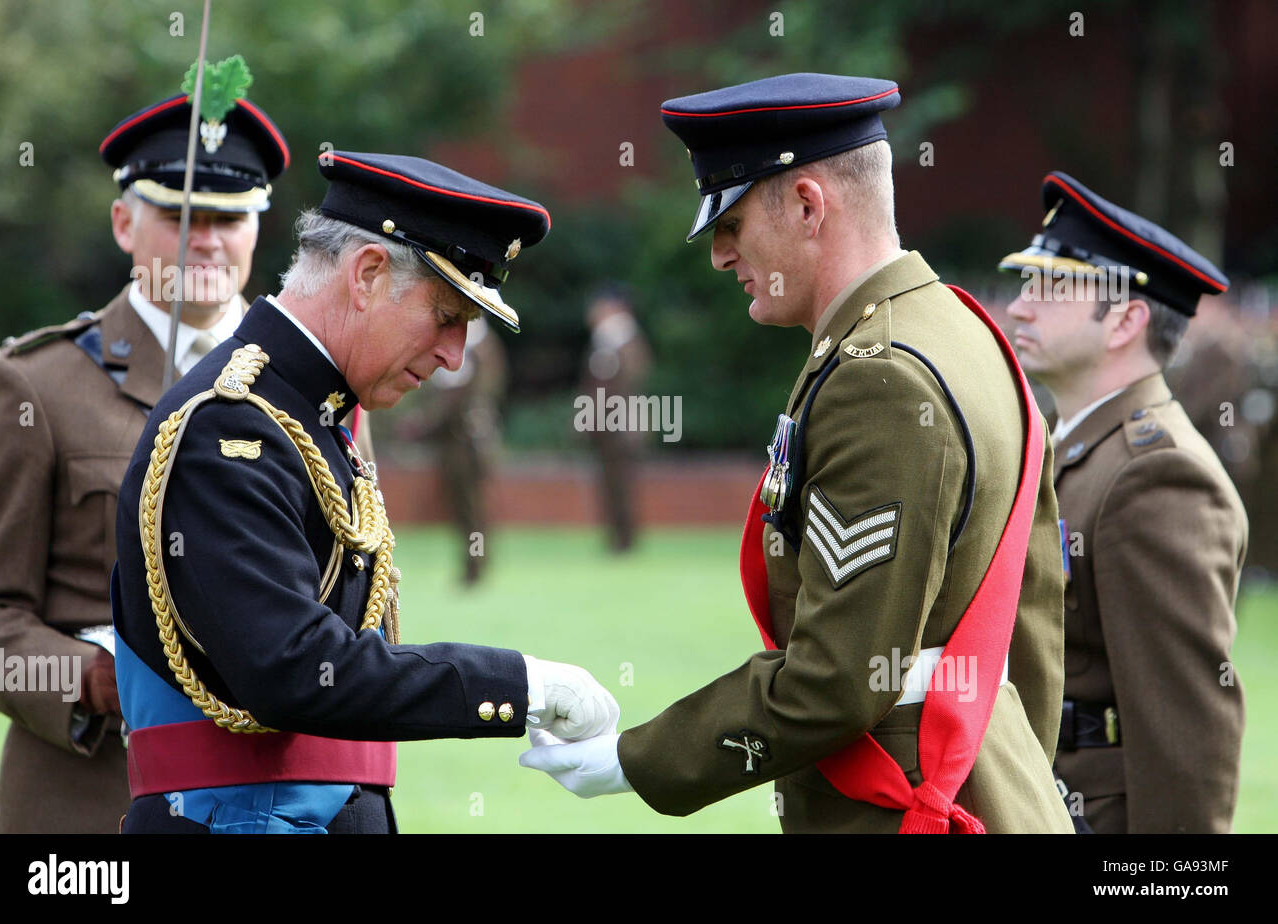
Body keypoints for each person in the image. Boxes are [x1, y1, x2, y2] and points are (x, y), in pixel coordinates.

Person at [521, 73, 1073, 833]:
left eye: (733, 223)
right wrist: (1016, 776)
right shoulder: (968, 334)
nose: (719, 255)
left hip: (902, 804)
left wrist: (633, 759)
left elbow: (836, 679)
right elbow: (1034, 623)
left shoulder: (879, 375)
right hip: (991, 778)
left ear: (809, 206)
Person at [111, 150, 620, 833]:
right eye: (446, 316)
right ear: (368, 274)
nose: (454, 356)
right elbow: (294, 669)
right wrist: (519, 684)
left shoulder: (313, 415)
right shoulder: (230, 428)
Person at [0, 58, 289, 833]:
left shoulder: (309, 385)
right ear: (125, 223)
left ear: (257, 228)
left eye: (229, 219)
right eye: (181, 217)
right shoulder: (35, 387)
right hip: (90, 803)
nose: (207, 242)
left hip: (276, 796)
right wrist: (92, 680)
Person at [999, 172, 1247, 832]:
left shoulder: (1157, 475)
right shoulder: (1067, 446)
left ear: (1127, 319)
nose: (1020, 307)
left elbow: (1187, 732)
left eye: (1050, 289)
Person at [399, 317, 506, 585]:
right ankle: (474, 564)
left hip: (468, 444)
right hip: (456, 443)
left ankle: (476, 565)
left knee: (473, 511)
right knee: (466, 511)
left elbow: (460, 401)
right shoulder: (474, 348)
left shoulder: (479, 349)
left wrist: (423, 425)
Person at [582, 285, 653, 552]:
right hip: (608, 427)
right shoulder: (606, 341)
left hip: (622, 426)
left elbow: (628, 386)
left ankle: (625, 542)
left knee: (622, 485)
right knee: (610, 485)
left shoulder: (625, 340)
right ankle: (616, 540)